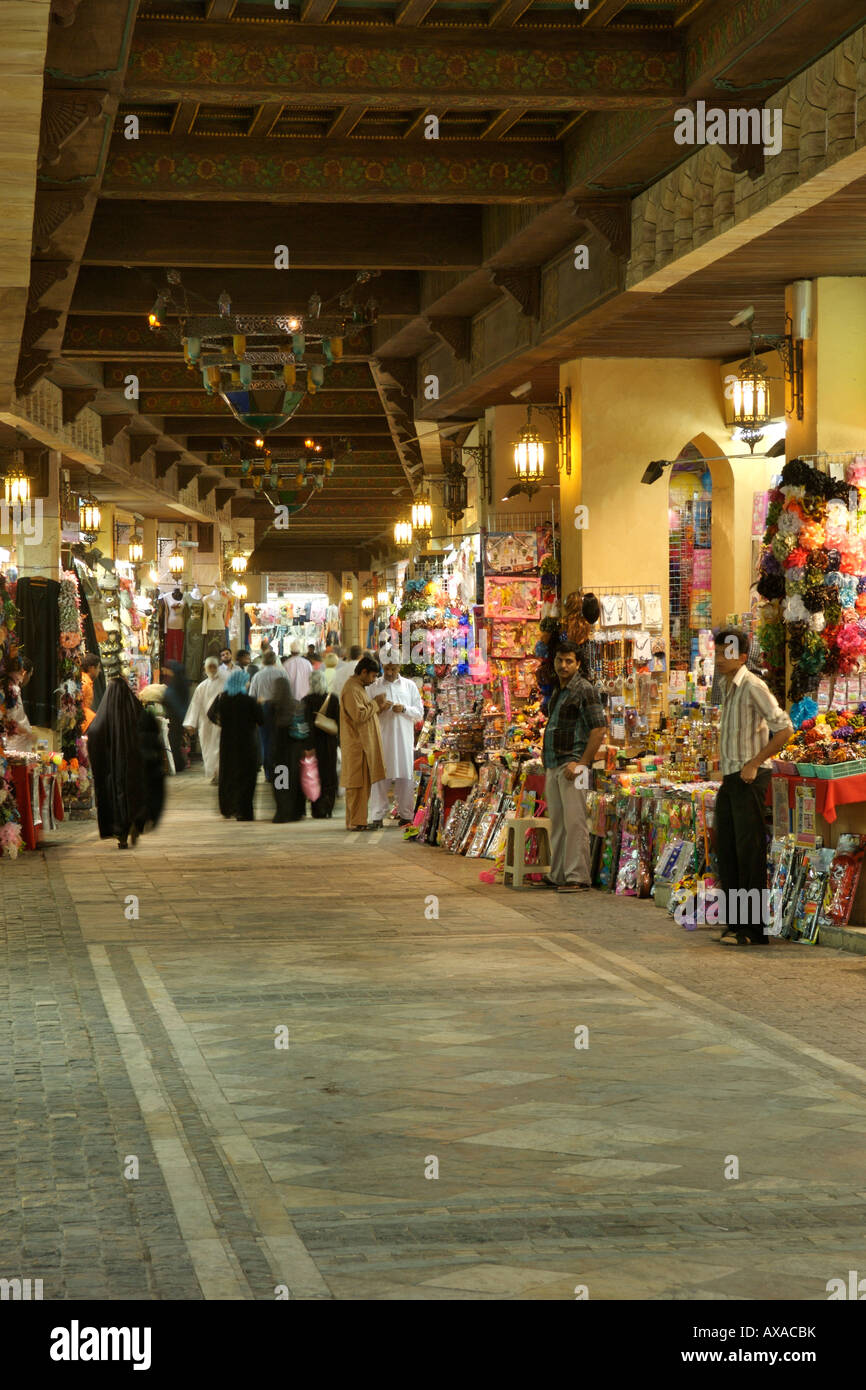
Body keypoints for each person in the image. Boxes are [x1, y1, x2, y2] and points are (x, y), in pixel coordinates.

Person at [713, 626, 793, 947]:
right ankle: (735, 924)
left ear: (742, 656)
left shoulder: (752, 686)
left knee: (750, 853)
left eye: (725, 653)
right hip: (731, 779)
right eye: (717, 653)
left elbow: (784, 728)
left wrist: (755, 762)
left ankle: (753, 930)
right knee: (728, 850)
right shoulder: (727, 686)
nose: (719, 659)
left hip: (749, 779)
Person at [542, 641, 607, 893]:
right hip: (554, 764)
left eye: (569, 661)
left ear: (578, 663)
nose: (563, 665)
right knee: (558, 823)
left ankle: (578, 877)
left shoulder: (585, 690)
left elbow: (599, 728)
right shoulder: (560, 690)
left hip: (575, 767)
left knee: (576, 821)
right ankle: (558, 874)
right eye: (560, 660)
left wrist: (582, 763)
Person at [88, 676, 165, 849]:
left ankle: (121, 834)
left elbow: (94, 733)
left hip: (112, 770)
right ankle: (135, 824)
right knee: (134, 796)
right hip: (134, 767)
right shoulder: (136, 710)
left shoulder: (104, 715)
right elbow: (151, 731)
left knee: (116, 796)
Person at [367, 655, 423, 826]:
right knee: (379, 778)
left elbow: (419, 712)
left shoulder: (409, 686)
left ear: (399, 667)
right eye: (387, 669)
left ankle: (406, 814)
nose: (390, 672)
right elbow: (366, 711)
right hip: (381, 738)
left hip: (403, 740)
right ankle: (377, 816)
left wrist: (404, 708)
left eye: (393, 669)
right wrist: (379, 707)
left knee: (405, 778)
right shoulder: (373, 686)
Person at [207, 667, 263, 821]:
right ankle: (244, 811)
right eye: (246, 682)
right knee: (247, 776)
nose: (247, 684)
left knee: (229, 774)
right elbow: (261, 720)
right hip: (247, 744)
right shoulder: (249, 700)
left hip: (228, 743)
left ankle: (228, 807)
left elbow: (211, 715)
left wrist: (223, 724)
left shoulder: (222, 698)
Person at [339, 654, 387, 831]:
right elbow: (358, 715)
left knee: (362, 785)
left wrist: (378, 706)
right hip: (356, 746)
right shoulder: (352, 689)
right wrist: (376, 704)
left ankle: (358, 820)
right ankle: (355, 822)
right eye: (373, 676)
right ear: (364, 672)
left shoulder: (358, 687)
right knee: (356, 785)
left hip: (362, 745)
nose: (374, 680)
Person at [268, 679, 310, 823]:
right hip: (296, 749)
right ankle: (296, 812)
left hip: (280, 750)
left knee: (281, 782)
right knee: (295, 779)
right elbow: (304, 727)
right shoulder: (297, 704)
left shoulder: (273, 705)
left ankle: (283, 812)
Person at [302, 667, 341, 818]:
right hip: (329, 743)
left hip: (313, 746)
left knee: (314, 776)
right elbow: (339, 723)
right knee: (329, 775)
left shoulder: (306, 701)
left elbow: (305, 725)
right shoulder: (333, 699)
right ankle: (328, 807)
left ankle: (316, 809)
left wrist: (307, 746)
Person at [249, 649, 291, 778]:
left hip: (263, 709)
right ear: (274, 660)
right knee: (279, 740)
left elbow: (252, 695)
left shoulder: (257, 676)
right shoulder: (282, 673)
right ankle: (279, 773)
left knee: (265, 740)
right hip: (279, 709)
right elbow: (288, 692)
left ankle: (268, 772)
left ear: (263, 660)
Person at [182, 656, 224, 783]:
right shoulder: (202, 687)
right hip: (205, 723)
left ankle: (219, 773)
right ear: (205, 669)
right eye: (209, 667)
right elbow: (195, 705)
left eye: (214, 666)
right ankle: (214, 772)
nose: (211, 669)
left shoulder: (225, 683)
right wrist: (191, 724)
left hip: (220, 723)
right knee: (208, 749)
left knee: (219, 748)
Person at [2, 657, 37, 752]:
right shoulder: (13, 690)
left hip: (17, 745)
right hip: (15, 747)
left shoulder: (12, 689)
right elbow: (10, 721)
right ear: (23, 672)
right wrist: (28, 734)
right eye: (30, 675)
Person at [162, 661, 190, 772]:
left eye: (166, 669)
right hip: (177, 715)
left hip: (176, 716)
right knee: (175, 741)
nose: (164, 672)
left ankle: (178, 764)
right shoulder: (179, 680)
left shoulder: (177, 682)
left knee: (174, 741)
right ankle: (178, 763)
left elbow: (173, 699)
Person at [80, 653, 101, 731]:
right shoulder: (85, 684)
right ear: (91, 668)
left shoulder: (86, 681)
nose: (99, 671)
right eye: (98, 668)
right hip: (83, 725)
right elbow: (80, 708)